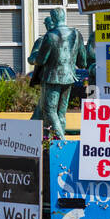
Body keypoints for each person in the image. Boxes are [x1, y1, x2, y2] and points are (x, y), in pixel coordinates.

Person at [32, 8, 88, 140]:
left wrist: (34, 56)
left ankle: (62, 142)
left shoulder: (50, 35)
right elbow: (83, 62)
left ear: (53, 18)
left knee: (50, 111)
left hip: (53, 78)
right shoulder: (76, 34)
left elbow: (41, 60)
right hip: (69, 78)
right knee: (61, 113)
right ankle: (54, 143)